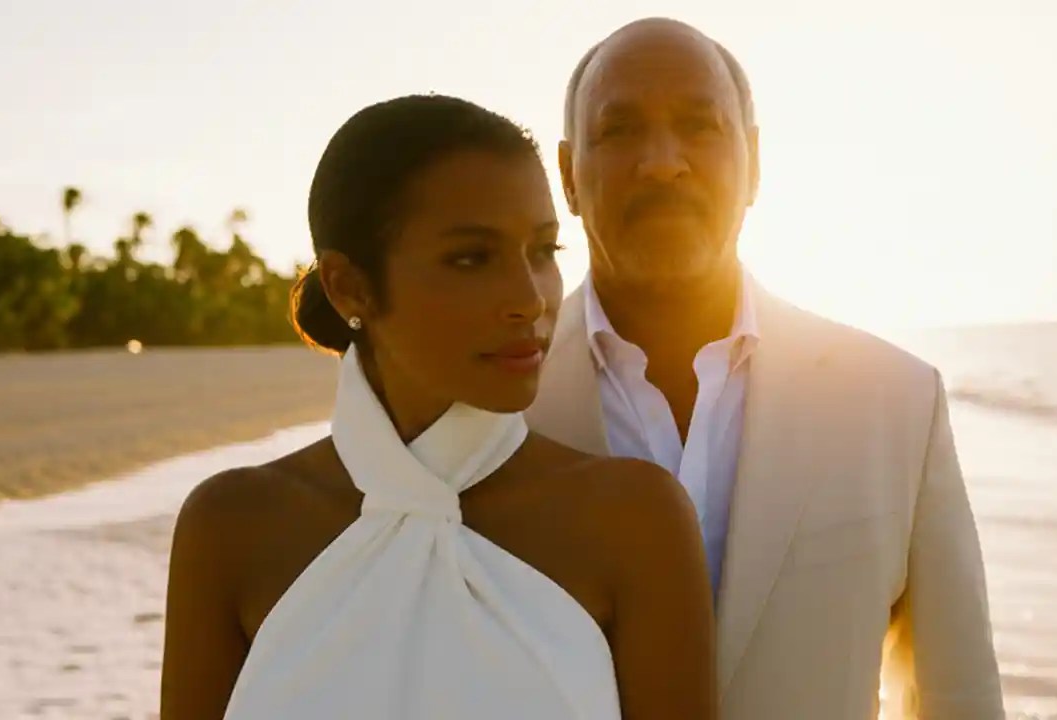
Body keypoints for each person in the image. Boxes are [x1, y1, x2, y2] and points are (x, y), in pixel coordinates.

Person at [159, 94, 717, 720]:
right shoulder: (231, 526)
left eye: (543, 252)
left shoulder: (635, 521)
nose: (529, 300)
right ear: (351, 286)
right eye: (472, 259)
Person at [526, 18, 1006, 719]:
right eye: (620, 130)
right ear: (568, 176)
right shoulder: (492, 404)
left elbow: (956, 698)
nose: (662, 161)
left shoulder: (894, 402)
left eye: (700, 126)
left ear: (753, 161)